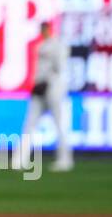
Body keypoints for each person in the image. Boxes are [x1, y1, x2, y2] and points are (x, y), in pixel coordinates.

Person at [19, 20, 74, 172]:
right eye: (42, 29)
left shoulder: (58, 45)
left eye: (45, 28)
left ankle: (65, 159)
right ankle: (20, 159)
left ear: (50, 29)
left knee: (60, 125)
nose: (43, 31)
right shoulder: (41, 46)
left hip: (54, 89)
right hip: (40, 88)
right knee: (29, 123)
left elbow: (60, 68)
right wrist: (38, 84)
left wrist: (48, 82)